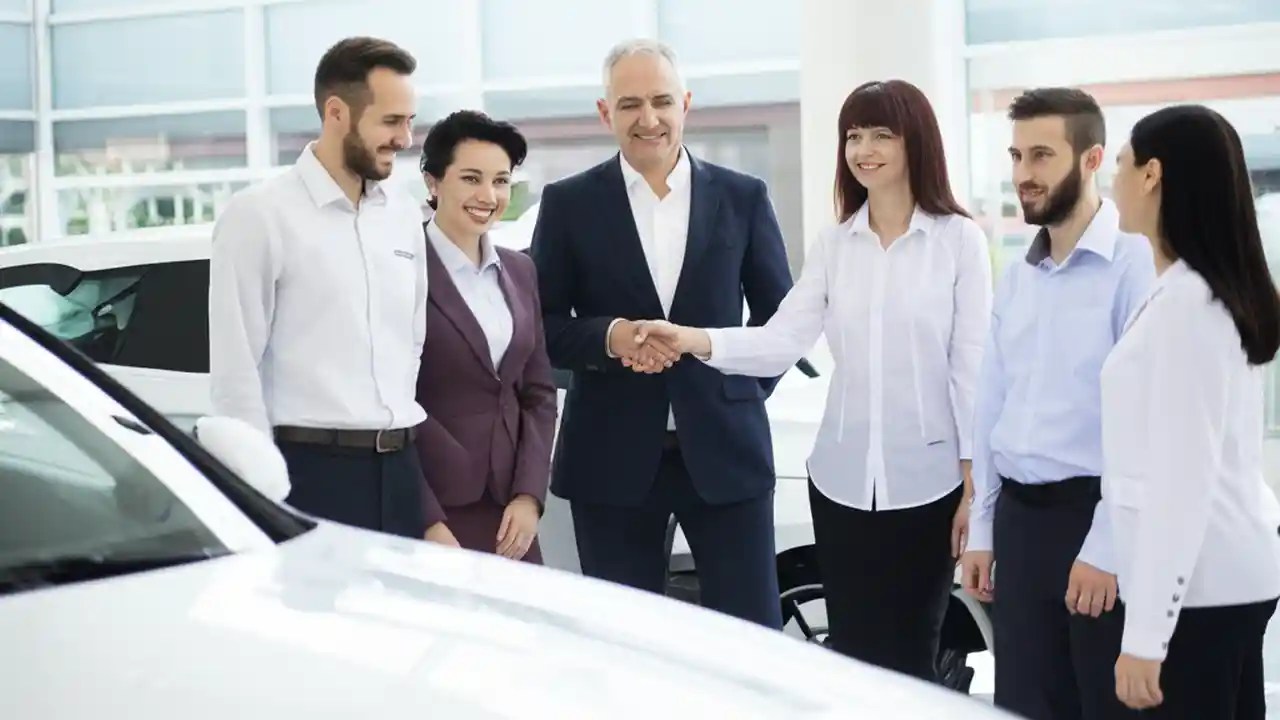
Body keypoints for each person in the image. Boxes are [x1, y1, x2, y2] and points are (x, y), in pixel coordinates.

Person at [630, 79, 993, 681]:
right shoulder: (835, 244)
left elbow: (970, 368)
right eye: (853, 136)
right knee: (851, 659)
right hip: (840, 485)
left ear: (917, 142)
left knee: (912, 658)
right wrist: (691, 338)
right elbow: (780, 340)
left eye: (881, 135)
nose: (863, 150)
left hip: (929, 487)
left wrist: (974, 486)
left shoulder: (959, 242)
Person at [529, 38, 794, 628]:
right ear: (606, 113)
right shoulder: (568, 203)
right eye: (629, 104)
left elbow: (782, 322)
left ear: (686, 104)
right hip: (610, 459)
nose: (647, 119)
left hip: (727, 455)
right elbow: (539, 328)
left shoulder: (743, 197)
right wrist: (610, 337)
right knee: (625, 642)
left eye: (661, 101)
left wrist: (738, 389)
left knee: (751, 638)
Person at [958, 88, 1155, 719]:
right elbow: (992, 406)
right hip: (1020, 526)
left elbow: (1146, 422)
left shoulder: (1136, 265)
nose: (1024, 173)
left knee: (1106, 708)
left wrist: (1107, 546)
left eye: (1041, 155)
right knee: (1024, 706)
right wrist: (983, 530)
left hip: (1095, 516)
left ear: (1092, 159)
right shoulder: (1019, 276)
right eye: (1017, 156)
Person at [208, 37, 429, 538]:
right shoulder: (259, 215)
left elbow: (412, 341)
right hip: (307, 476)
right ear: (336, 113)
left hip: (400, 471)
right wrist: (262, 491)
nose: (405, 138)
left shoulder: (402, 213)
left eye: (410, 121)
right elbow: (235, 372)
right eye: (391, 121)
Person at [1102, 105, 1280, 717]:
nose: (1114, 180)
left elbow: (1181, 481)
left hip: (1202, 594)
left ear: (1152, 175)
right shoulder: (1187, 291)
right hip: (1221, 581)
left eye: (1120, 164)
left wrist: (1146, 637)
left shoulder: (1189, 308)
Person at [414, 110, 558, 563]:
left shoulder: (520, 270)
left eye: (501, 181)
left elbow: (538, 392)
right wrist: (424, 518)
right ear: (433, 182)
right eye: (471, 179)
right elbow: (387, 404)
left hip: (511, 511)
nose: (488, 196)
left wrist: (529, 495)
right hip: (437, 510)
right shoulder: (401, 269)